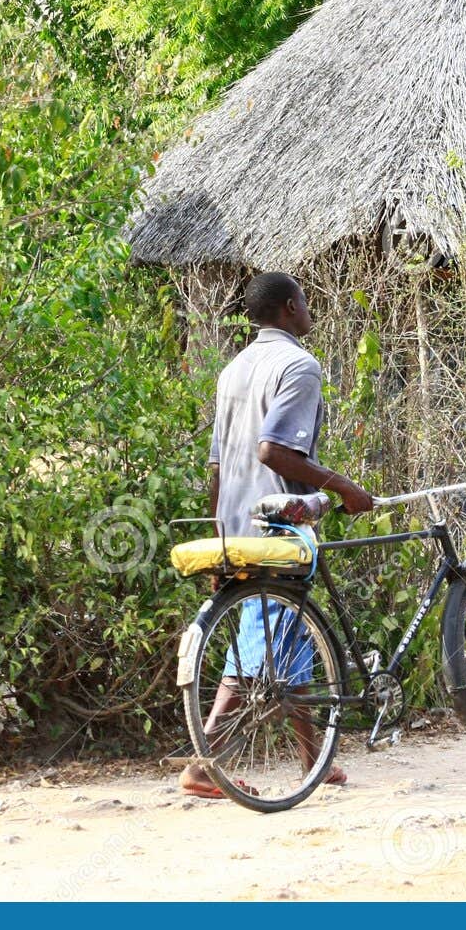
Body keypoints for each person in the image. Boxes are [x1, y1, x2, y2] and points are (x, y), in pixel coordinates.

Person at [179, 272, 374, 799]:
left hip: (236, 526)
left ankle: (316, 761)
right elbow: (275, 452)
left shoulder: (234, 369)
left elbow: (217, 464)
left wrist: (220, 531)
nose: (311, 311)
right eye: (307, 303)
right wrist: (347, 488)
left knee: (284, 637)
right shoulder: (300, 366)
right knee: (261, 644)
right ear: (290, 308)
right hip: (278, 529)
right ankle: (203, 761)